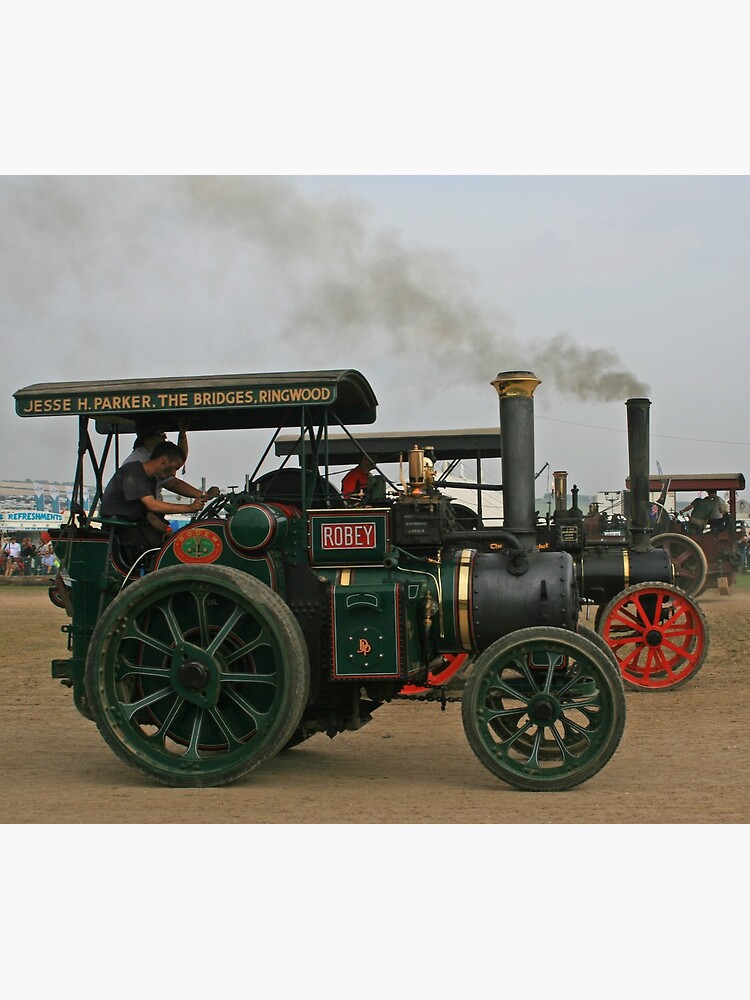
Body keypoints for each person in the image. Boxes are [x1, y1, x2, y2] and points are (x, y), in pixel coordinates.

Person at [101, 441, 205, 565]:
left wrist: (166, 529)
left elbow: (149, 515)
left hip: (136, 525)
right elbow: (152, 505)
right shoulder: (132, 472)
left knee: (170, 543)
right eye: (174, 468)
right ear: (164, 460)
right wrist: (189, 508)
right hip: (121, 528)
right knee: (154, 549)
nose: (173, 473)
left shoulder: (149, 480)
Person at [122, 418, 218, 533]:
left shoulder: (148, 462)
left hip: (147, 518)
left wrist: (182, 435)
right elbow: (171, 486)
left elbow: (177, 459)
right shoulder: (138, 465)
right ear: (148, 438)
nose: (165, 437)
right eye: (161, 434)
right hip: (132, 526)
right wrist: (199, 499)